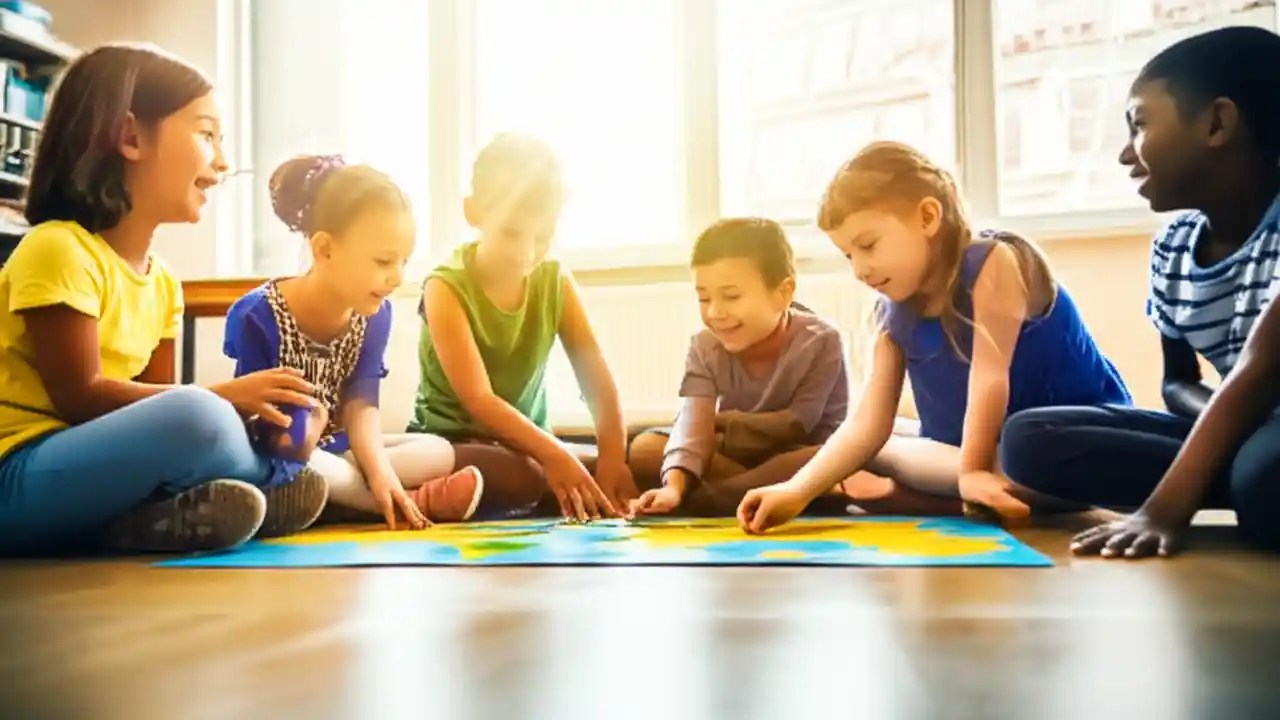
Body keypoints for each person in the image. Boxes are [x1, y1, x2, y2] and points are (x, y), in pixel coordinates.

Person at [0, 44, 322, 554]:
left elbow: (151, 413)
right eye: (206, 134)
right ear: (130, 136)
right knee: (199, 416)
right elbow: (80, 396)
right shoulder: (56, 247)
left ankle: (141, 522)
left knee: (205, 418)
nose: (222, 162)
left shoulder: (164, 283)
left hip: (97, 472)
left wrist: (259, 420)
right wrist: (223, 401)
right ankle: (276, 477)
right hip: (16, 473)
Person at [737, 141, 1130, 534]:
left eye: (868, 245)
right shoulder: (891, 314)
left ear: (927, 217)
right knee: (874, 441)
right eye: (848, 256)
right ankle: (960, 495)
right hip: (975, 454)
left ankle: (953, 494)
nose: (859, 269)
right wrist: (796, 490)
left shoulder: (995, 261)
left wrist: (974, 471)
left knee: (1009, 452)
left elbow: (990, 375)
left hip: (1065, 449)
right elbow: (869, 422)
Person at [1001, 27, 1280, 557]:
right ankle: (1235, 472)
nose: (1127, 155)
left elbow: (1260, 371)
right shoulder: (1173, 248)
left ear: (1218, 123)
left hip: (1266, 426)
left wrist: (1162, 511)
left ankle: (1238, 477)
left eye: (1140, 125)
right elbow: (1177, 383)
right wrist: (1228, 420)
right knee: (1029, 439)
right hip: (1237, 424)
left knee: (1267, 478)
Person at [224, 155, 484, 531]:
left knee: (438, 451)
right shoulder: (257, 315)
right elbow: (256, 424)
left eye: (404, 262)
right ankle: (406, 501)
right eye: (383, 261)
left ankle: (347, 499)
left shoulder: (376, 315)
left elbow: (362, 407)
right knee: (307, 467)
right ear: (324, 249)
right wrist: (304, 431)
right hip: (284, 447)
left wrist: (380, 473)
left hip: (339, 449)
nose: (396, 278)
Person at [409, 133, 636, 521]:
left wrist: (613, 460)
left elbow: (595, 377)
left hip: (526, 447)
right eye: (511, 233)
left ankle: (521, 488)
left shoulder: (555, 280)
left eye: (542, 237)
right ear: (473, 212)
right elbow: (478, 399)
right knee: (527, 475)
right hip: (452, 443)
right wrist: (553, 455)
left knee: (639, 463)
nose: (525, 252)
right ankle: (421, 493)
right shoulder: (444, 286)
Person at [628, 217, 853, 516]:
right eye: (703, 298)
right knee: (646, 449)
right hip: (737, 458)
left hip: (800, 456)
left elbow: (798, 423)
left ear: (783, 293)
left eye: (731, 296)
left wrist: (721, 422)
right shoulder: (704, 346)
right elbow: (693, 422)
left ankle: (713, 500)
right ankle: (745, 497)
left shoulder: (821, 341)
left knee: (835, 457)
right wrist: (673, 486)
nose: (715, 312)